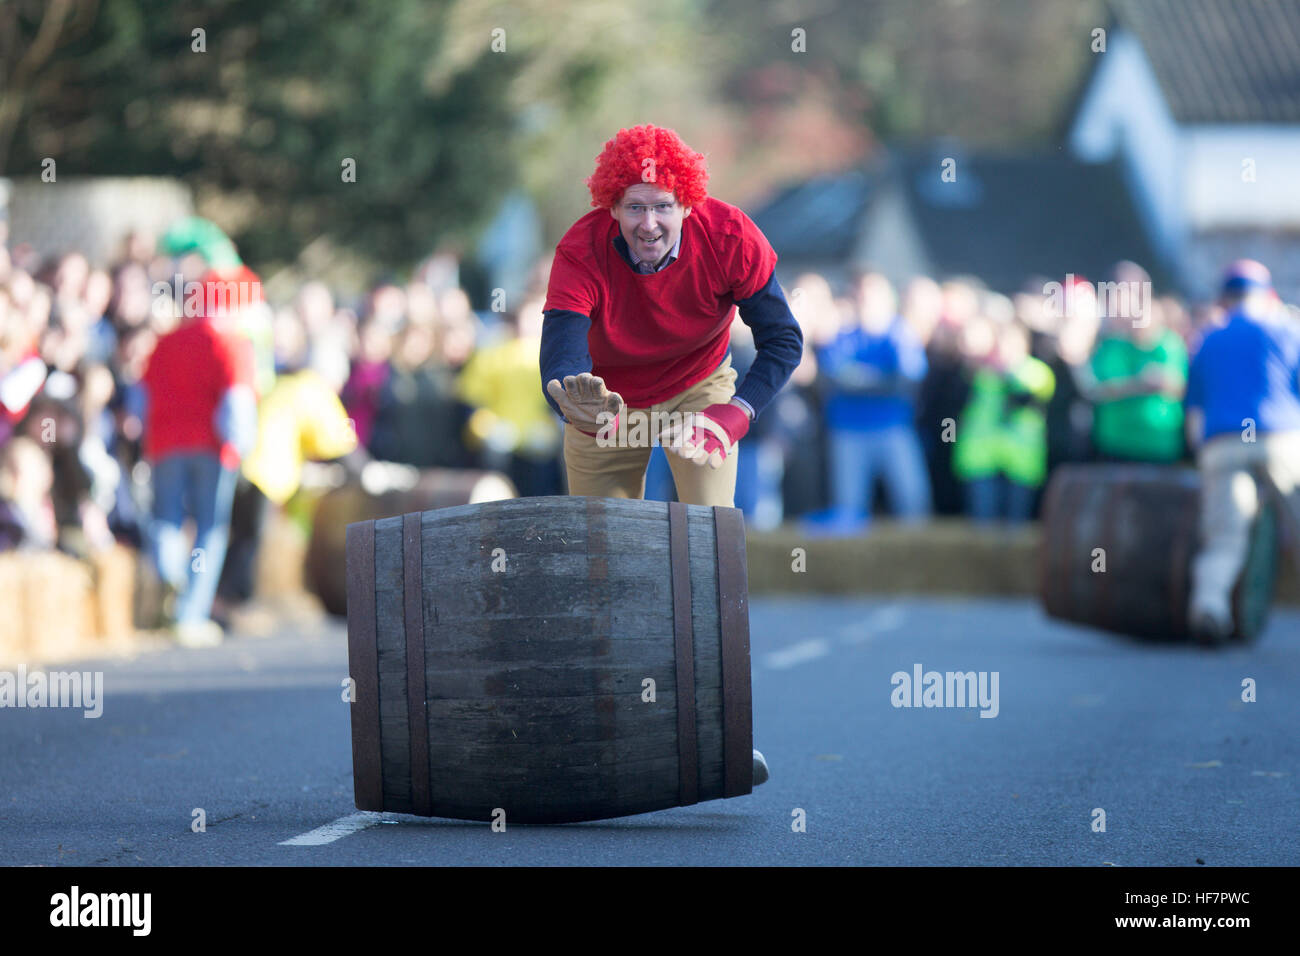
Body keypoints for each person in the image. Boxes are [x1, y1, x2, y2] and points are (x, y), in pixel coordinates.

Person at [539, 124, 804, 785]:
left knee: (709, 557)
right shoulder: (581, 245)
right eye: (634, 206)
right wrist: (568, 397)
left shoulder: (732, 236)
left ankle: (723, 732)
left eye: (662, 205)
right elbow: (561, 351)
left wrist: (734, 413)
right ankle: (604, 727)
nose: (649, 222)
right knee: (599, 566)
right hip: (608, 402)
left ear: (687, 204)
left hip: (698, 392)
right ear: (611, 209)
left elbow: (783, 342)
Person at [1184, 260, 1300, 644]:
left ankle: (1209, 608)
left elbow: (1194, 410)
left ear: (1224, 299)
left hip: (1223, 443)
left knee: (1225, 537)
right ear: (1267, 295)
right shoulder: (1286, 332)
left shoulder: (1208, 339)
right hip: (1279, 440)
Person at [140, 270, 258, 647]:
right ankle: (189, 612)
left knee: (168, 519)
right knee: (210, 528)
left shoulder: (163, 343)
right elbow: (237, 403)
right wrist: (242, 447)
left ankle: (170, 572)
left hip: (164, 444)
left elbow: (141, 398)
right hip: (211, 447)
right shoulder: (230, 343)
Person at [817, 271, 931, 528]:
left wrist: (859, 379)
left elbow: (907, 382)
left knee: (913, 502)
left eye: (871, 295)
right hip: (848, 431)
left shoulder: (900, 333)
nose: (865, 301)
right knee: (848, 510)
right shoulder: (841, 335)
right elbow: (834, 378)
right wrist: (881, 380)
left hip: (893, 428)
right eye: (860, 295)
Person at [953, 319, 1055, 522]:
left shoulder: (1036, 372)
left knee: (1015, 528)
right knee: (983, 525)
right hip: (982, 460)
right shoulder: (979, 373)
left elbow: (1025, 401)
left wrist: (1005, 375)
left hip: (1021, 464)